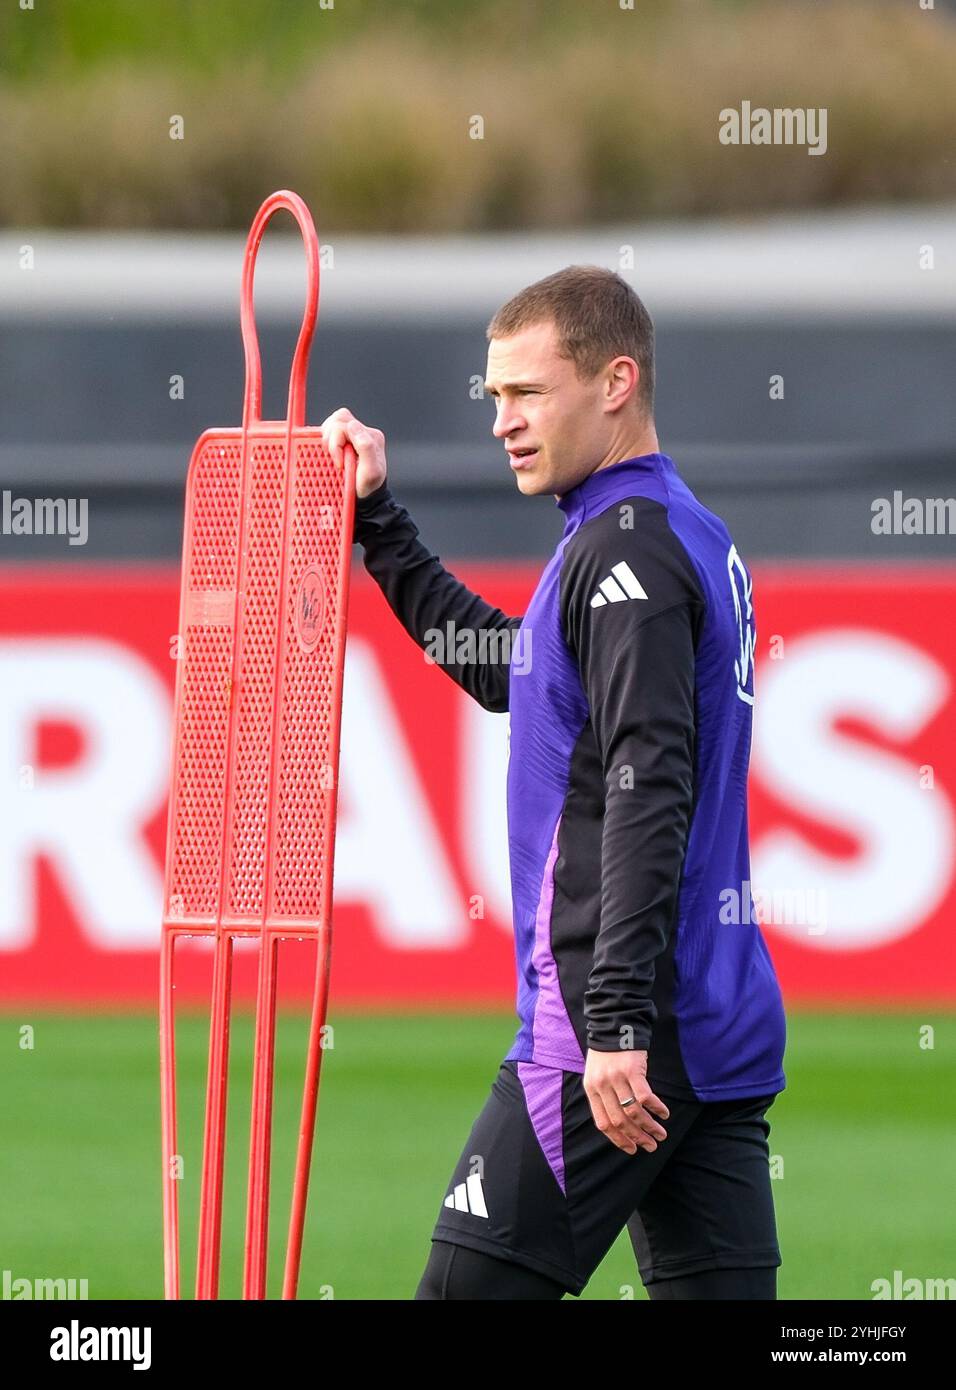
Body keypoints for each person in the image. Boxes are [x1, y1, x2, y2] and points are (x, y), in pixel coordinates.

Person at [319, 265, 787, 1301]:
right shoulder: (658, 532)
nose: (501, 421)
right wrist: (377, 522)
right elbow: (510, 670)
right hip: (712, 1025)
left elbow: (645, 783)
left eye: (526, 392)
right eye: (492, 397)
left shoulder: (626, 555)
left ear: (615, 381)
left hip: (608, 1028)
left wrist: (613, 1022)